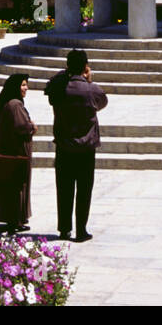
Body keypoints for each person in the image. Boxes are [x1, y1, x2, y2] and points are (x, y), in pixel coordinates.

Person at [48, 48, 108, 242]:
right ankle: (81, 230)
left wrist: (67, 74)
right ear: (85, 67)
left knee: (64, 188)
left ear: (67, 66)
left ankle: (65, 229)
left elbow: (49, 88)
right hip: (86, 148)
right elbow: (102, 102)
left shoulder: (58, 88)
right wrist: (87, 79)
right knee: (84, 189)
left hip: (64, 146)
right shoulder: (92, 90)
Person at [0, 73, 36, 233]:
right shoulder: (15, 105)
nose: (26, 88)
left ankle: (13, 218)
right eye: (23, 85)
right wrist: (32, 127)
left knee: (10, 185)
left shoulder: (9, 103)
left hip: (8, 151)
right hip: (16, 153)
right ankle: (15, 219)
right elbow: (22, 128)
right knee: (17, 185)